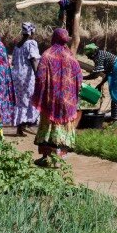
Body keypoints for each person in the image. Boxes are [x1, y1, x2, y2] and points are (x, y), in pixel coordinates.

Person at [32, 28, 82, 167]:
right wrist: (72, 94)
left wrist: (39, 95)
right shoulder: (71, 57)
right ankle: (60, 157)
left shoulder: (47, 55)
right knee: (63, 127)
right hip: (67, 99)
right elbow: (79, 77)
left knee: (49, 126)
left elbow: (40, 78)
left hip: (50, 99)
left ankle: (47, 157)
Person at [83, 43, 117, 119]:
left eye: (88, 55)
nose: (88, 58)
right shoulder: (100, 54)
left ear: (92, 53)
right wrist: (101, 84)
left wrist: (82, 77)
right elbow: (106, 72)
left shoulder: (98, 57)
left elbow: (95, 75)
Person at [10, 22, 41, 135]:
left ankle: (20, 127)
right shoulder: (31, 43)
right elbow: (33, 59)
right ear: (32, 31)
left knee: (20, 101)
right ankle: (28, 124)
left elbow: (13, 62)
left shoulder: (17, 45)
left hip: (16, 76)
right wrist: (37, 74)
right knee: (31, 99)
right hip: (27, 76)